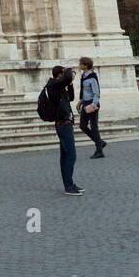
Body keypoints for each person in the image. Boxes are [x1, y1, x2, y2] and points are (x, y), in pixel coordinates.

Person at [45, 64, 83, 194]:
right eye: (64, 74)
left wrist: (70, 84)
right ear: (59, 75)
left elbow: (71, 97)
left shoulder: (59, 87)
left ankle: (69, 183)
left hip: (66, 123)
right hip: (63, 124)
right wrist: (69, 71)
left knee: (65, 155)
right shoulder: (53, 85)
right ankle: (68, 186)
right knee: (71, 155)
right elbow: (67, 76)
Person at [77, 56, 107, 158]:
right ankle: (100, 142)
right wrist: (81, 101)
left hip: (92, 104)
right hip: (85, 103)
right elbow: (84, 91)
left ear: (86, 65)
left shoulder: (92, 77)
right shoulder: (83, 76)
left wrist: (93, 105)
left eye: (80, 63)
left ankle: (99, 151)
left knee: (94, 127)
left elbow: (96, 93)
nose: (79, 65)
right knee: (82, 125)